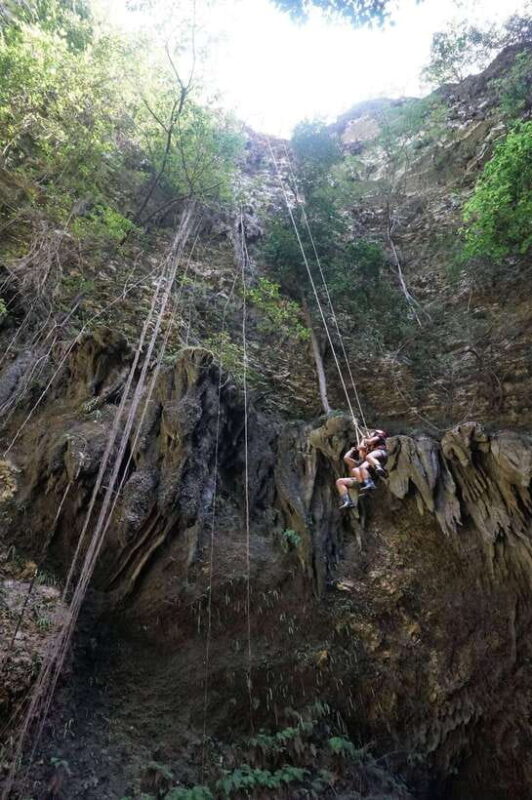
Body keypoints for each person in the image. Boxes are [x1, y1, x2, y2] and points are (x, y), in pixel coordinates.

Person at [336, 429, 389, 509]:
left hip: (370, 477)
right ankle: (348, 501)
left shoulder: (368, 459)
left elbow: (368, 445)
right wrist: (352, 450)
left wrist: (364, 440)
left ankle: (368, 485)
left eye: (363, 451)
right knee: (339, 481)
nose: (361, 452)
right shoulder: (359, 463)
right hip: (359, 482)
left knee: (356, 469)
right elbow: (346, 458)